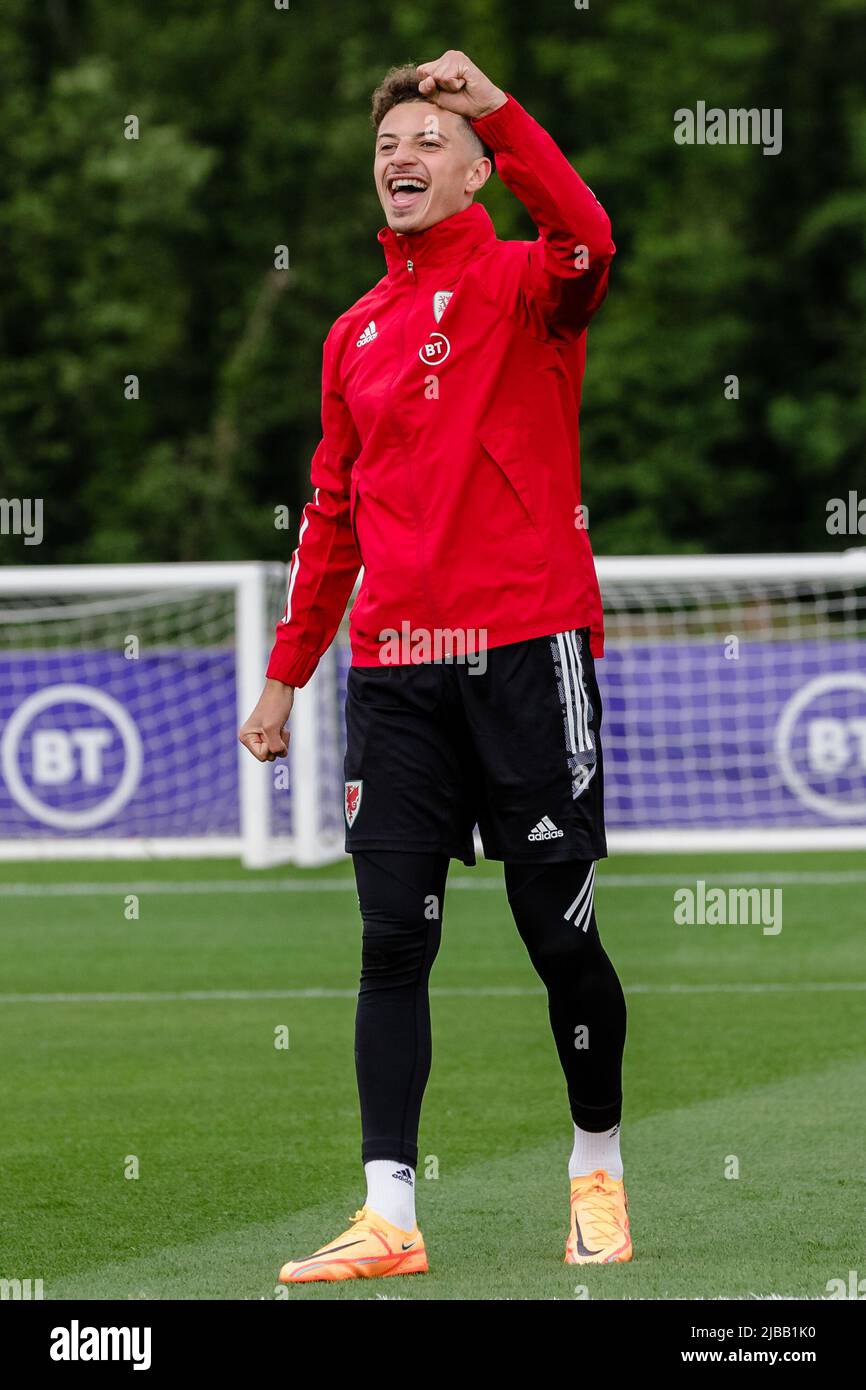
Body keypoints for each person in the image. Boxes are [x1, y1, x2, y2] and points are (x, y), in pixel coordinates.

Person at [239, 50, 630, 1281]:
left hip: (526, 649)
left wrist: (499, 107)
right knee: (389, 944)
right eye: (386, 144)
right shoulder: (351, 330)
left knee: (553, 935)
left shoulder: (529, 284)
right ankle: (389, 1214)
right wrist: (287, 670)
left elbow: (588, 231)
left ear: (473, 170)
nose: (400, 158)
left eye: (427, 140)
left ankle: (596, 1167)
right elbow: (332, 511)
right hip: (396, 668)